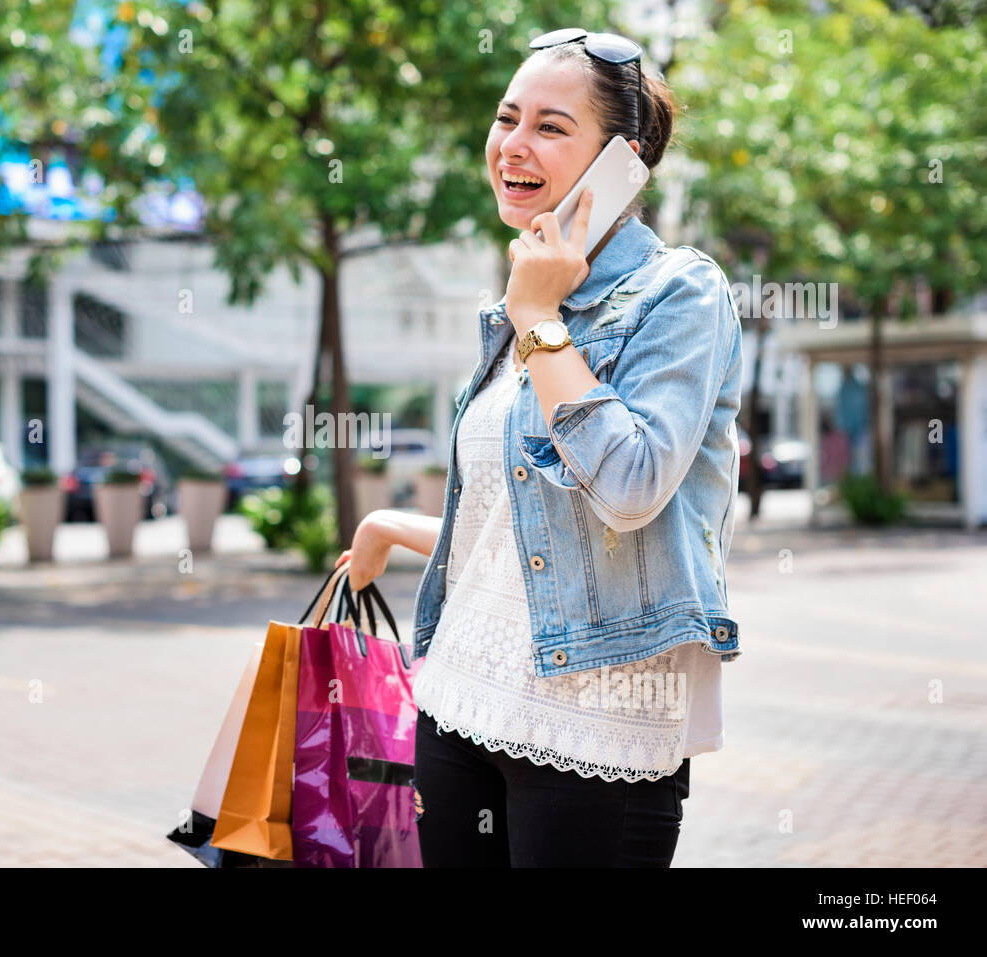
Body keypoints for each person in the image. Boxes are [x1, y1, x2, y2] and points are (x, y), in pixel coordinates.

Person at [335, 28, 744, 867]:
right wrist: (394, 524)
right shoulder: (518, 302)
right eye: (506, 118)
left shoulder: (680, 292)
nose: (512, 146)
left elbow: (629, 490)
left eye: (551, 127)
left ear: (622, 161)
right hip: (456, 700)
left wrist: (542, 322)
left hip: (595, 721)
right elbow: (522, 517)